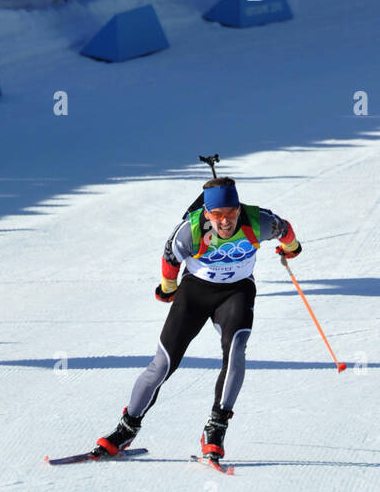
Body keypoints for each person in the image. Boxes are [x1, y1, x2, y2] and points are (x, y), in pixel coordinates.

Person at [96, 176, 301, 463]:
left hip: (236, 293)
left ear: (238, 209)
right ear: (207, 214)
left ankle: (216, 428)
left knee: (236, 350)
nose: (225, 222)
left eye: (230, 214)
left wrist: (291, 248)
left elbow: (286, 230)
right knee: (163, 363)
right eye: (217, 215)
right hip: (195, 293)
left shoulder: (258, 222)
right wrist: (168, 289)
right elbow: (170, 257)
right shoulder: (191, 231)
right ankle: (127, 427)